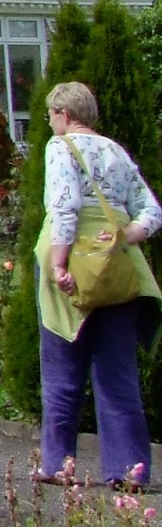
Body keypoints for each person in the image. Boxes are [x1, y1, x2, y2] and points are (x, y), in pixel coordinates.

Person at [34, 81, 162, 486]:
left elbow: (65, 205)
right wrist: (126, 236)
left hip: (76, 263)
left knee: (62, 370)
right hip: (119, 270)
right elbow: (151, 211)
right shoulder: (115, 151)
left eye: (50, 116)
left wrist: (58, 264)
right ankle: (131, 471)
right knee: (118, 376)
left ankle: (58, 466)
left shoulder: (61, 147)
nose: (50, 123)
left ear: (64, 115)